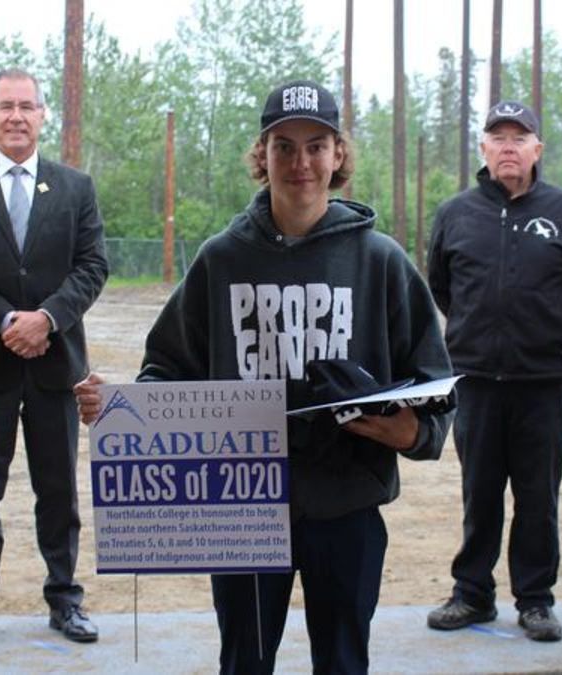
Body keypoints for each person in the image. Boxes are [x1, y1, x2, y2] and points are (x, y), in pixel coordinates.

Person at [75, 79, 453, 674]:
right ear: (262, 155)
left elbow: (432, 381)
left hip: (348, 504)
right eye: (283, 146)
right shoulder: (222, 259)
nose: (300, 162)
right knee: (245, 663)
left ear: (338, 156)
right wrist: (122, 406)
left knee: (344, 662)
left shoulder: (380, 261)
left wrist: (412, 434)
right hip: (243, 507)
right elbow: (168, 369)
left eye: (315, 145)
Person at [0, 68, 109, 649]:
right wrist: (7, 321)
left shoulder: (75, 188)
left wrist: (47, 319)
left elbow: (92, 267)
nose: (16, 116)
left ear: (42, 115)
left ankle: (64, 600)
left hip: (57, 365)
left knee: (58, 489)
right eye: (5, 106)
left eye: (26, 106)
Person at [425, 100, 562, 642]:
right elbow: (441, 285)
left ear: (537, 149)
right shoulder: (456, 214)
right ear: (483, 148)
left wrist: (547, 333)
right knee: (479, 493)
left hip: (543, 383)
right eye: (497, 136)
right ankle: (472, 594)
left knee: (537, 497)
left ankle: (535, 601)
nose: (508, 146)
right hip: (476, 380)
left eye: (519, 137)